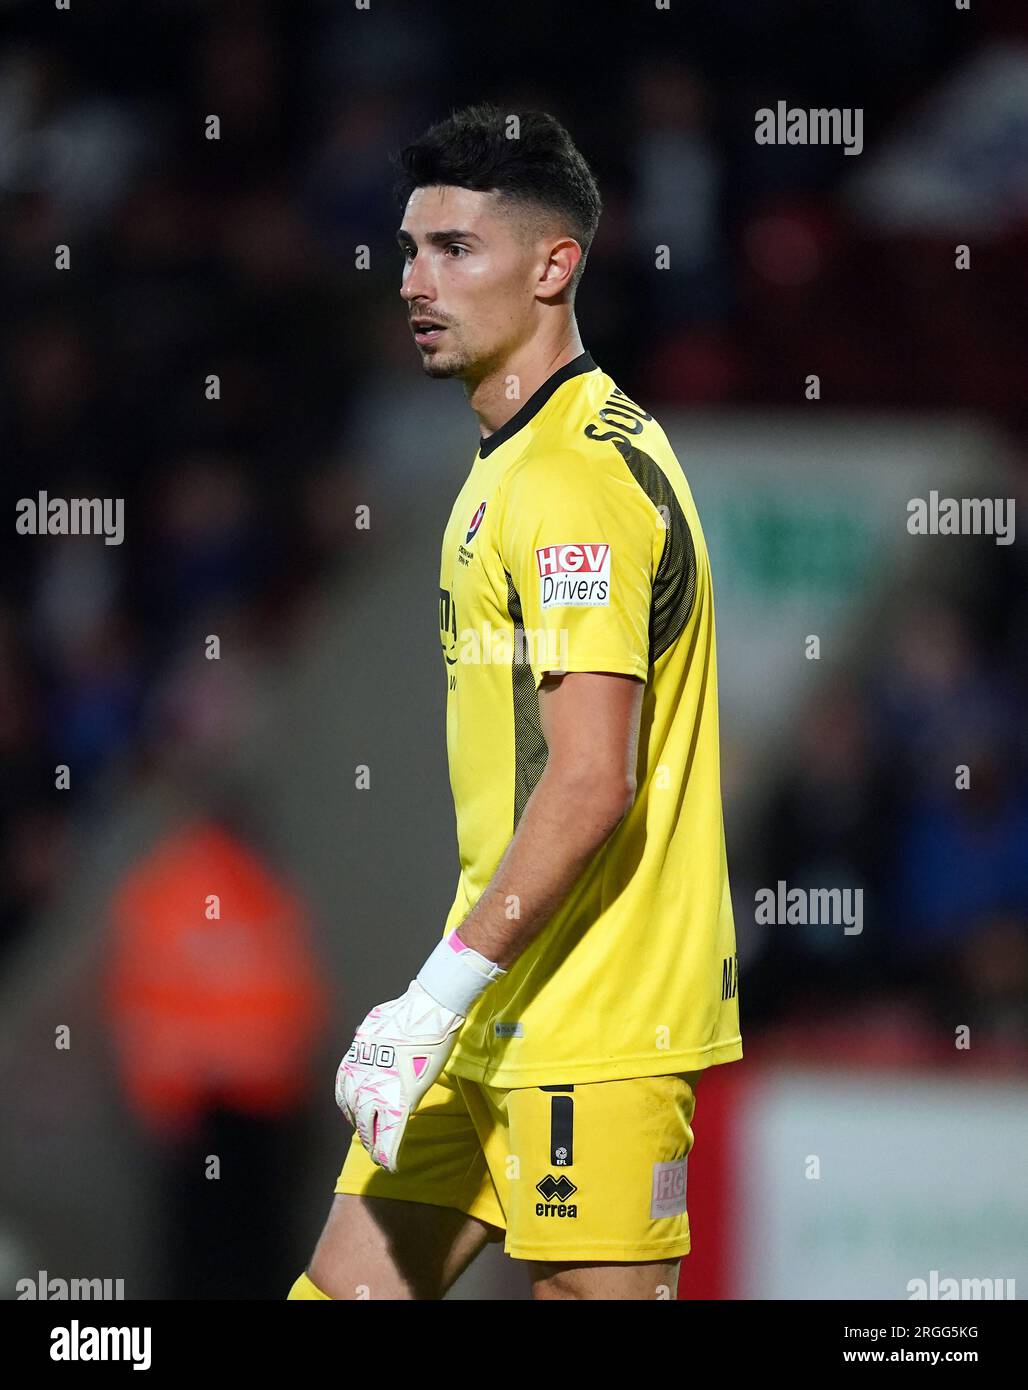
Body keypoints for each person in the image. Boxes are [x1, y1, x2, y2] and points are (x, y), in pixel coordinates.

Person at [289, 102, 742, 1302]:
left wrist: (429, 994)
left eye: (455, 249)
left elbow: (595, 773)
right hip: (496, 996)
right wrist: (453, 997)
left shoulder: (576, 481)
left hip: (597, 1018)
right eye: (406, 248)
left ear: (554, 267)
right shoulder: (508, 462)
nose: (413, 281)